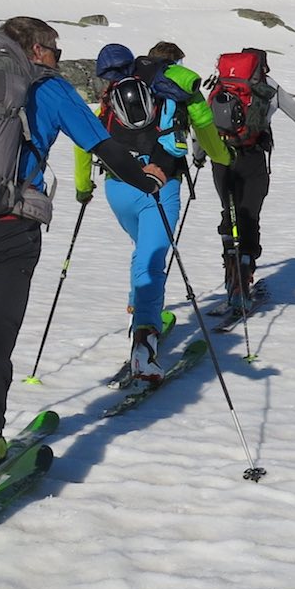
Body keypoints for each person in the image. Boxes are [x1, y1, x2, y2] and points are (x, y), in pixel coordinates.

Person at [0, 17, 165, 531]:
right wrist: (147, 177)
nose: (58, 55)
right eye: (54, 47)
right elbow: (104, 147)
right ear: (35, 49)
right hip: (7, 229)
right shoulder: (46, 88)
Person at [74, 41, 231, 383]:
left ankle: (139, 304)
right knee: (152, 258)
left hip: (117, 187)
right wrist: (223, 158)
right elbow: (206, 133)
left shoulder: (113, 96)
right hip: (160, 186)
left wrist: (83, 186)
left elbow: (84, 141)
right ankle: (144, 342)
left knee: (142, 251)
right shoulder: (180, 95)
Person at [198, 46, 295, 317]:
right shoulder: (269, 87)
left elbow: (204, 124)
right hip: (253, 159)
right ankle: (243, 288)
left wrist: (199, 155)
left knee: (230, 215)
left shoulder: (219, 83)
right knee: (249, 218)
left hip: (221, 160)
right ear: (262, 66)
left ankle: (231, 283)